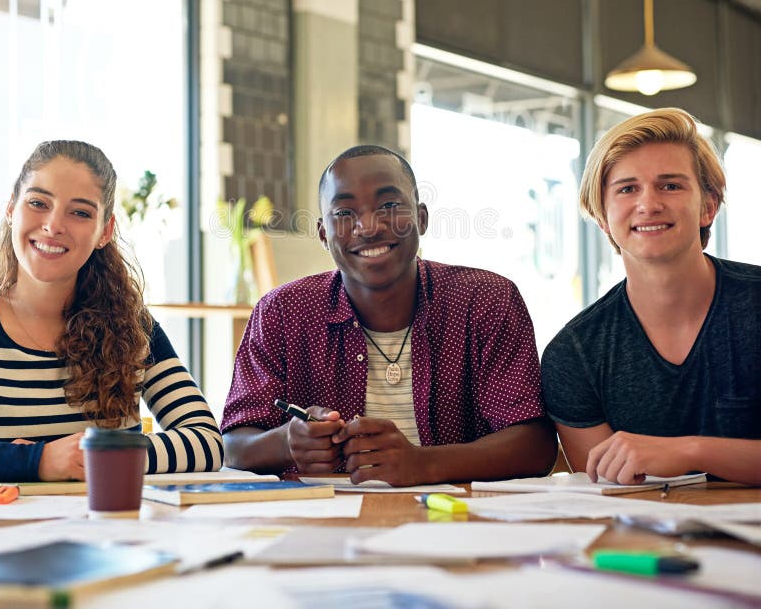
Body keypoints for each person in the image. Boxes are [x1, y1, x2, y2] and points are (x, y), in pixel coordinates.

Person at [222, 144, 556, 486]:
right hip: (324, 525)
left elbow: (535, 445)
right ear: (324, 234)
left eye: (389, 205)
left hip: (455, 522)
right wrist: (286, 442)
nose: (368, 226)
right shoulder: (282, 312)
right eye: (344, 212)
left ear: (421, 218)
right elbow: (233, 445)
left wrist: (424, 464)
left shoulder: (484, 300)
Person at [0, 140, 223, 484]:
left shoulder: (134, 328)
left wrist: (96, 457)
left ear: (105, 231)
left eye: (81, 212)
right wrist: (39, 460)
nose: (53, 225)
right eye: (38, 202)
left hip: (114, 530)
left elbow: (207, 443)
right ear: (11, 209)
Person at [542, 108, 761, 486]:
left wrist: (691, 450)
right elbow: (609, 490)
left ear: (708, 206)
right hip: (645, 541)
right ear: (603, 218)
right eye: (627, 189)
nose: (648, 204)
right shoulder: (574, 354)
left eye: (671, 185)